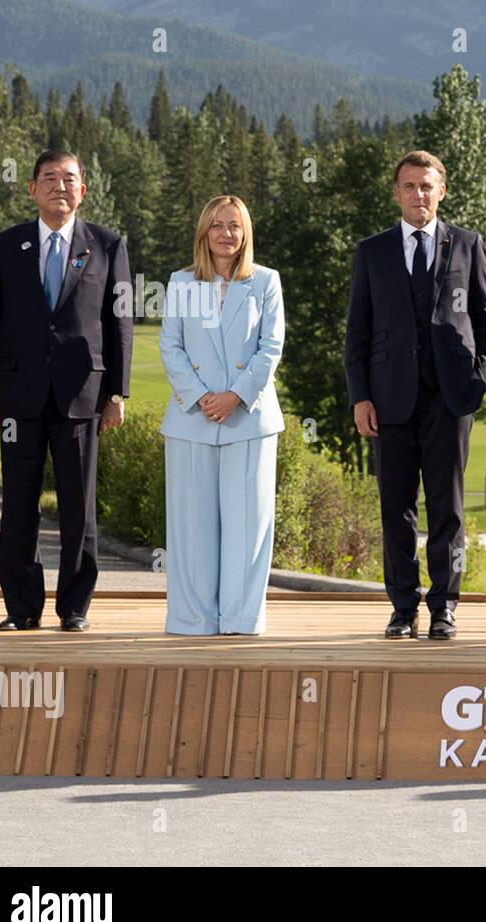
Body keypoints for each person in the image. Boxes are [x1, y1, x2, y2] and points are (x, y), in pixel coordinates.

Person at [0, 149, 133, 633]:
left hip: (83, 394)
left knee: (78, 506)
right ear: (32, 189)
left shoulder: (107, 245)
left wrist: (117, 394)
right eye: (49, 178)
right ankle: (21, 608)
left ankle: (74, 606)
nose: (59, 186)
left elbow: (119, 323)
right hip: (17, 396)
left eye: (69, 179)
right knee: (18, 502)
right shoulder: (4, 246)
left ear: (84, 189)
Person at [345, 150, 486, 640]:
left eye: (427, 186)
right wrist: (360, 396)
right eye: (409, 186)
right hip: (389, 399)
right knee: (396, 507)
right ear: (396, 193)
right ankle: (402, 606)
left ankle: (445, 605)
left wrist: (481, 380)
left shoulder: (467, 245)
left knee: (448, 509)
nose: (418, 195)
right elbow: (358, 332)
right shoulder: (373, 251)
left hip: (451, 399)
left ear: (442, 191)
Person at [159, 196, 284, 635]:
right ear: (203, 232)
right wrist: (201, 396)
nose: (226, 233)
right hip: (192, 418)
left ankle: (240, 618)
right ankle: (191, 618)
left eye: (234, 225)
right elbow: (170, 347)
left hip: (248, 418)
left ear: (245, 232)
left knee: (247, 525)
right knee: (192, 526)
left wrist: (235, 395)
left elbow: (271, 348)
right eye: (216, 225)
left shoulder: (266, 282)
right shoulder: (182, 283)